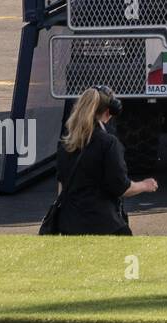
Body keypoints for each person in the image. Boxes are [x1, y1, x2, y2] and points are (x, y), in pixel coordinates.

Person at [53, 87, 157, 236]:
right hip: (104, 225)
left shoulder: (66, 144)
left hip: (69, 227)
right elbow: (122, 188)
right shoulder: (108, 143)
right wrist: (145, 185)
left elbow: (61, 188)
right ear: (109, 112)